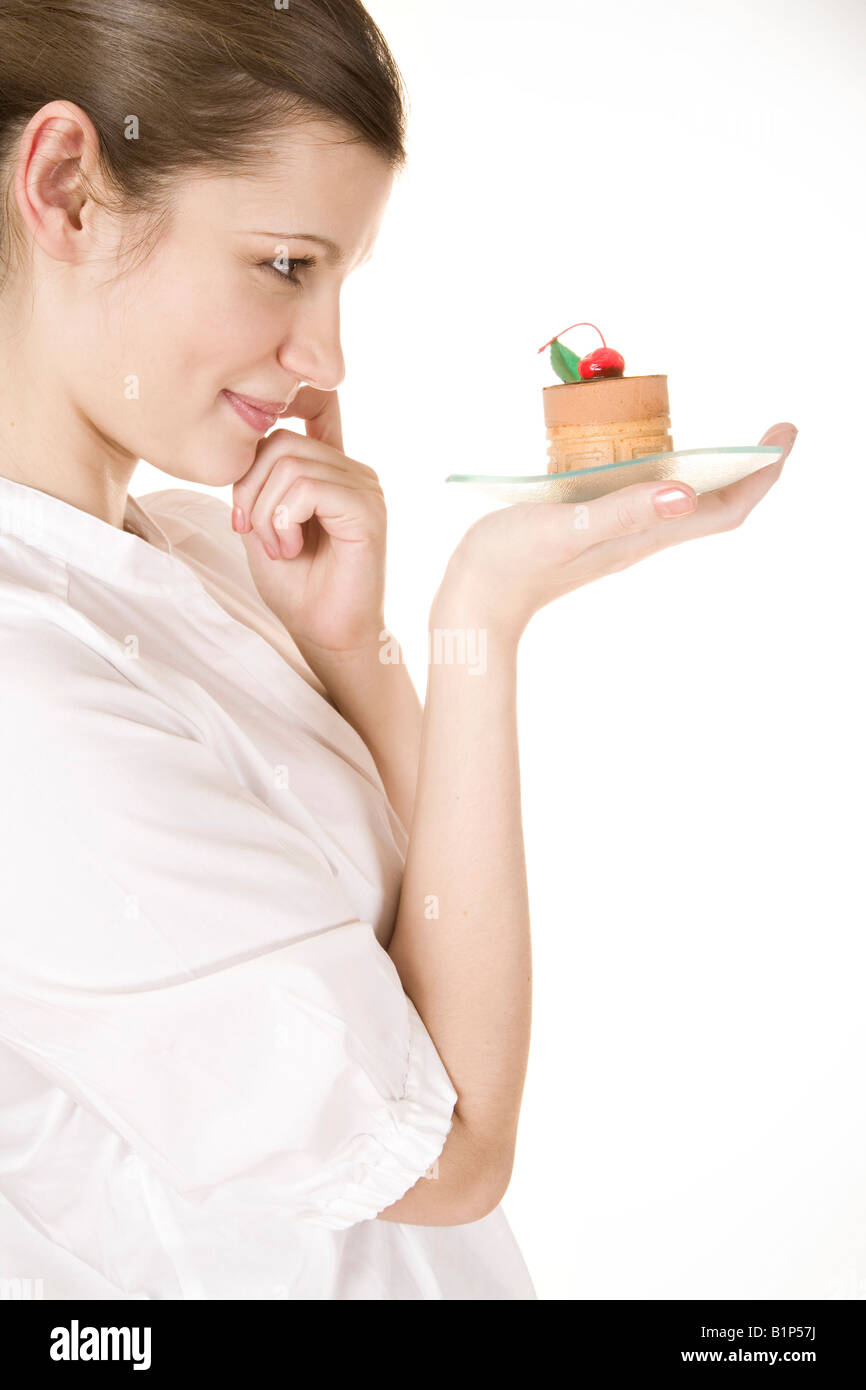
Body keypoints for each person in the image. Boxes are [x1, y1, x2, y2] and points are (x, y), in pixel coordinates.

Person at [0, 0, 797, 1300]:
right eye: (283, 265)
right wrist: (477, 614)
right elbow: (447, 1150)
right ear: (70, 187)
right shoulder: (22, 685)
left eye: (339, 279)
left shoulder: (196, 552)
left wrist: (356, 648)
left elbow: (426, 936)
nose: (325, 357)